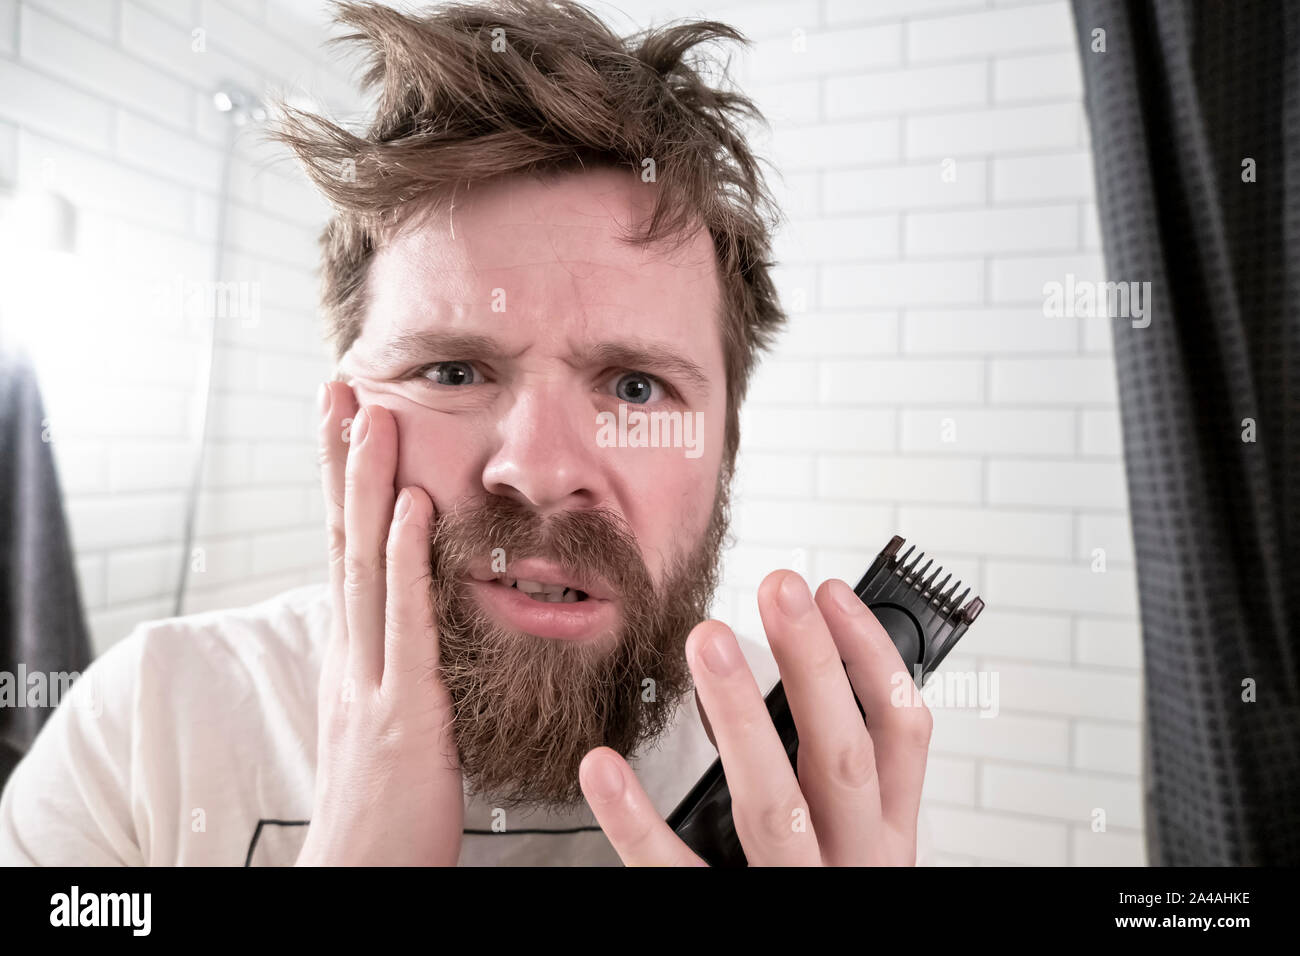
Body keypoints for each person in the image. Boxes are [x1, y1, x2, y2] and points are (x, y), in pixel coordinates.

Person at [0, 0, 934, 866]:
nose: (538, 469)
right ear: (344, 422)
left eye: (637, 386)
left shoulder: (808, 765)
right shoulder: (140, 729)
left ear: (726, 445)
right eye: (452, 372)